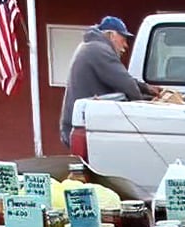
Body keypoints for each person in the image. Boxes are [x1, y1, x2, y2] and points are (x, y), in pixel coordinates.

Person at [60, 16, 160, 147]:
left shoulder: (92, 47)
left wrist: (146, 88)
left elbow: (122, 79)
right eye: (123, 39)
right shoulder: (100, 50)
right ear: (112, 35)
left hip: (81, 123)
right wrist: (144, 104)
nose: (125, 45)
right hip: (83, 126)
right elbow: (126, 84)